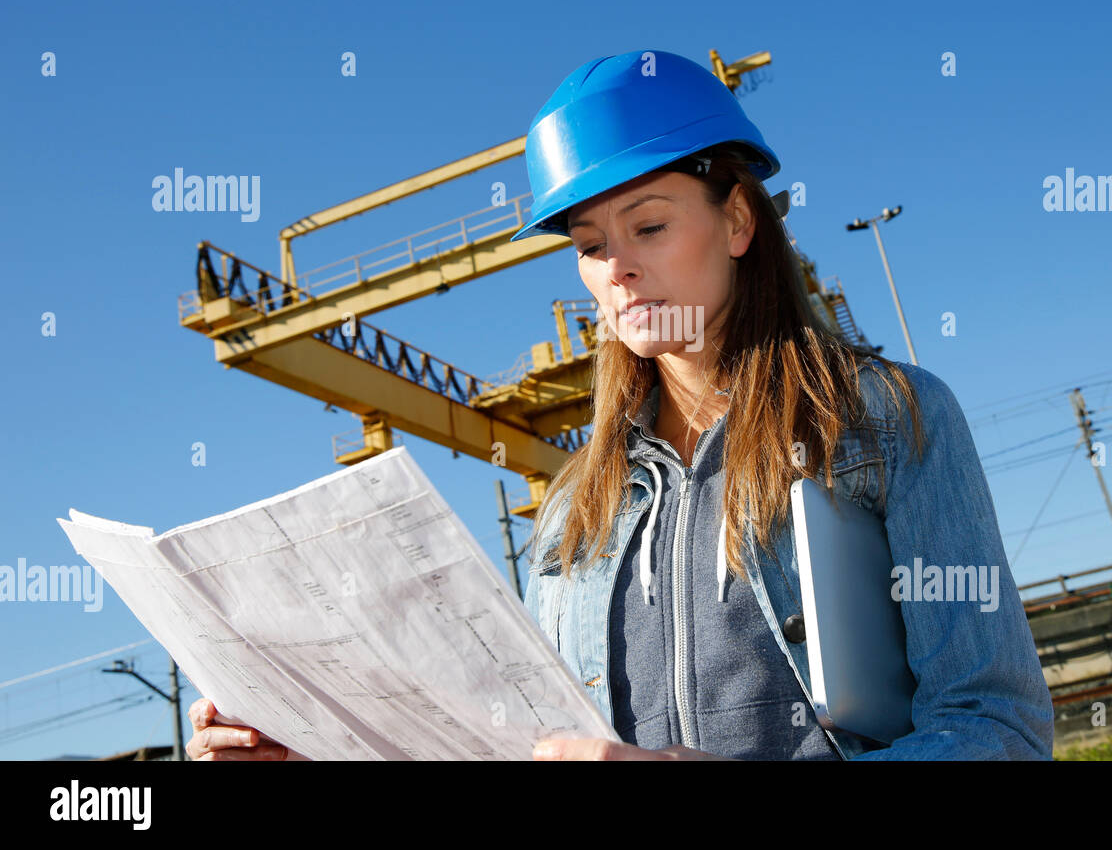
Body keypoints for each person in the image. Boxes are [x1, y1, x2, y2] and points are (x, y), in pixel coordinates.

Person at [185, 49, 1053, 762]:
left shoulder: (883, 419)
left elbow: (999, 731)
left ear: (740, 222)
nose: (617, 271)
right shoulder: (571, 513)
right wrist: (319, 753)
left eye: (648, 227)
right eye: (590, 246)